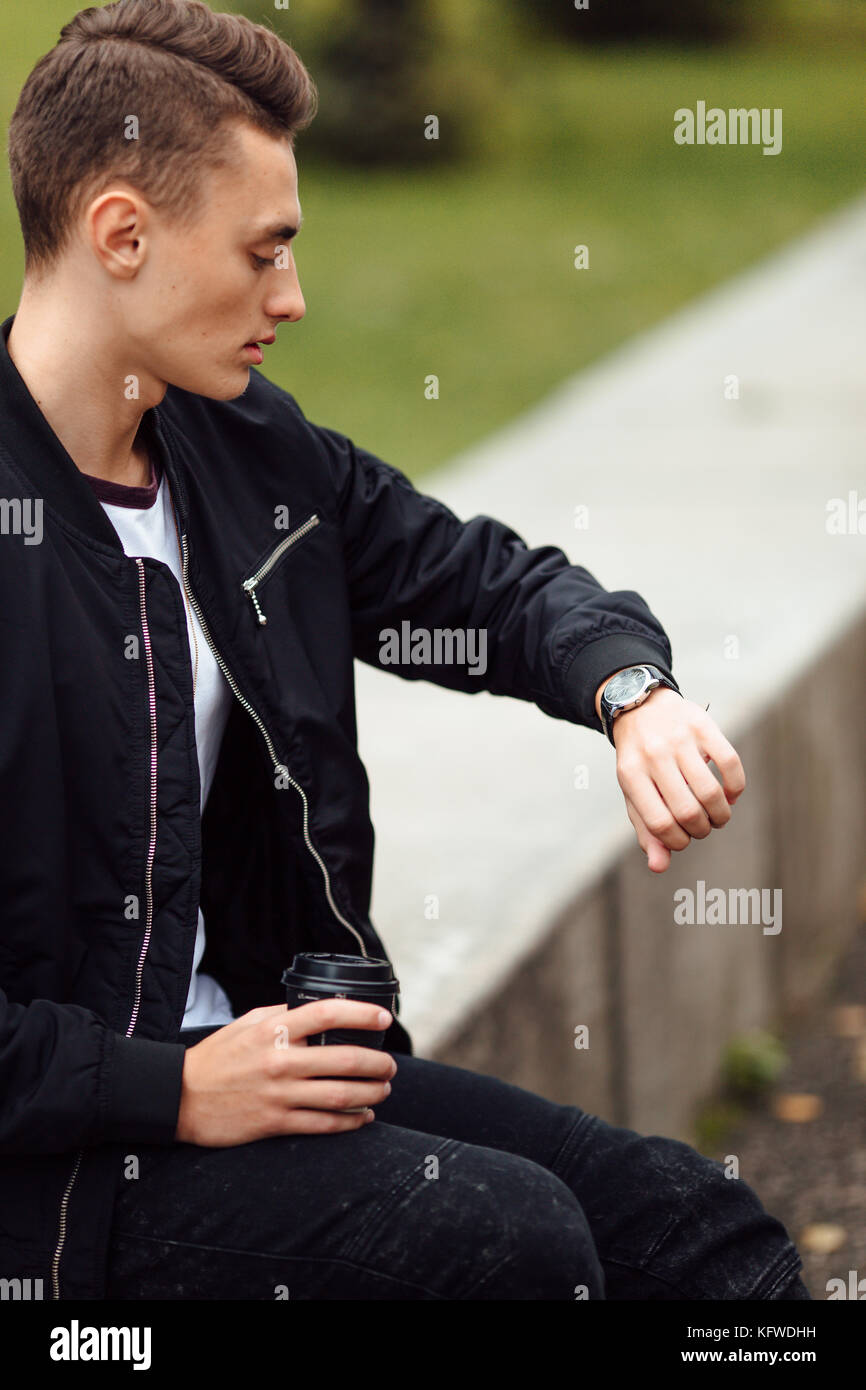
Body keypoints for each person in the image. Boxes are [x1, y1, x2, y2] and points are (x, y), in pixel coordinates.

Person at [0, 0, 809, 1301]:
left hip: (274, 1078)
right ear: (121, 234)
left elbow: (479, 581)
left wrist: (631, 695)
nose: (293, 297)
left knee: (693, 1229)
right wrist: (172, 1085)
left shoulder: (247, 455)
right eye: (263, 253)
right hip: (60, 1186)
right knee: (506, 1243)